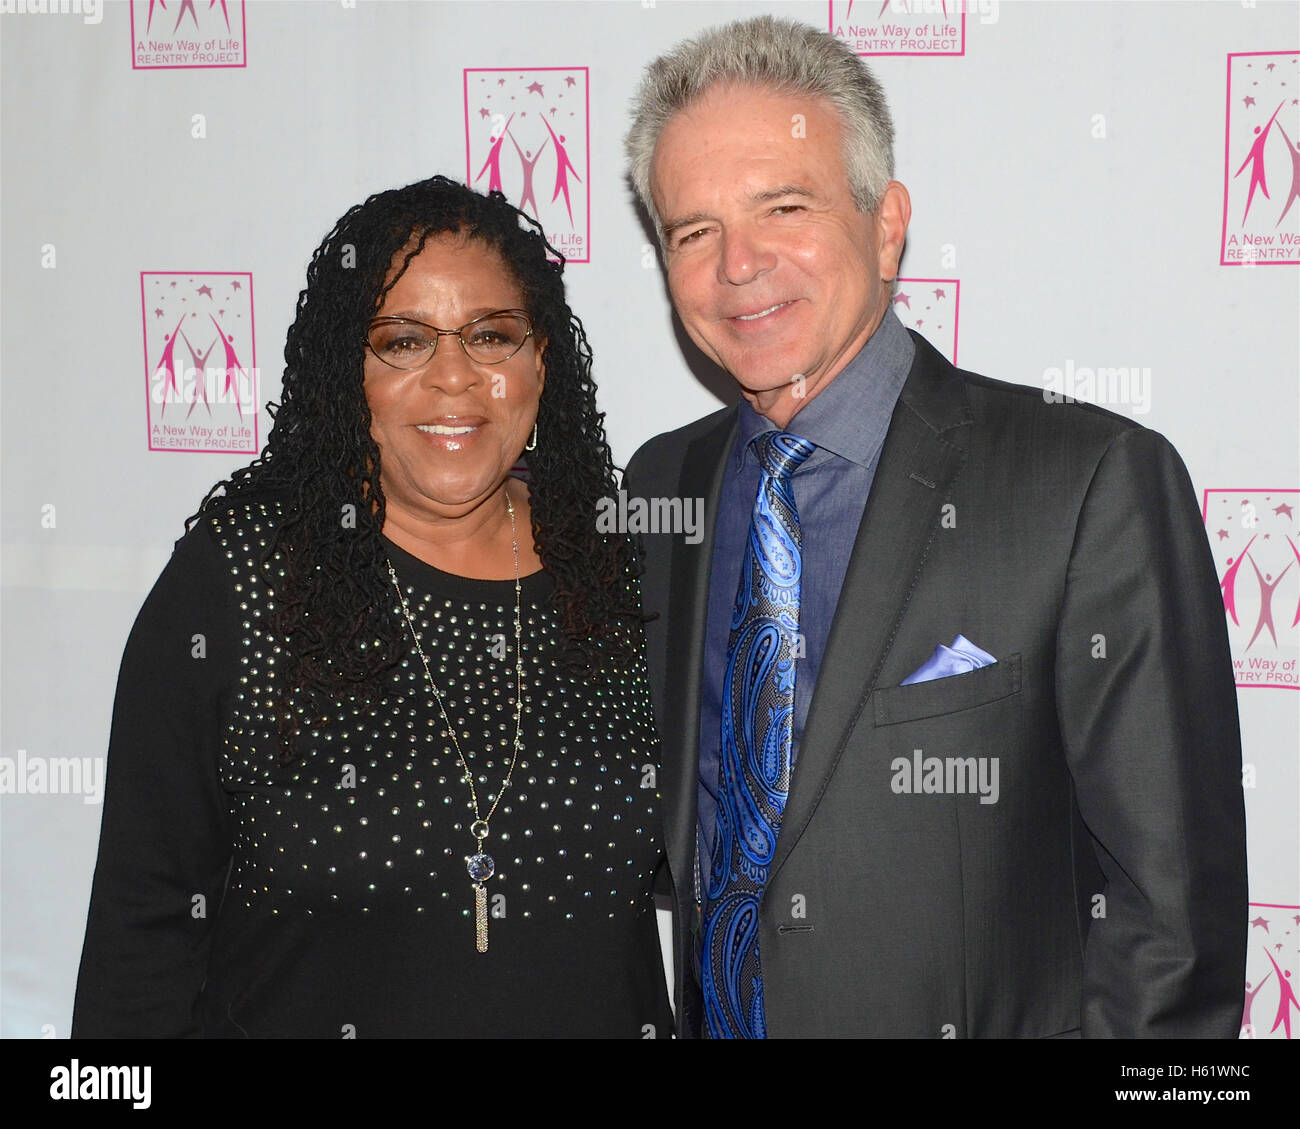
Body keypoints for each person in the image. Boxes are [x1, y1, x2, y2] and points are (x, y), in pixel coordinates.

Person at [622, 15, 1247, 1038]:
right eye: (693, 230)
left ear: (884, 222)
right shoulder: (659, 484)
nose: (738, 264)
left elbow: (1171, 930)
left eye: (783, 205)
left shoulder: (1087, 481)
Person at [72, 176, 671, 1038]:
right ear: (347, 372)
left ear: (542, 361)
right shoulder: (238, 583)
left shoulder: (624, 574)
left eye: (492, 335)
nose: (454, 377)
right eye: (404, 341)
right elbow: (142, 937)